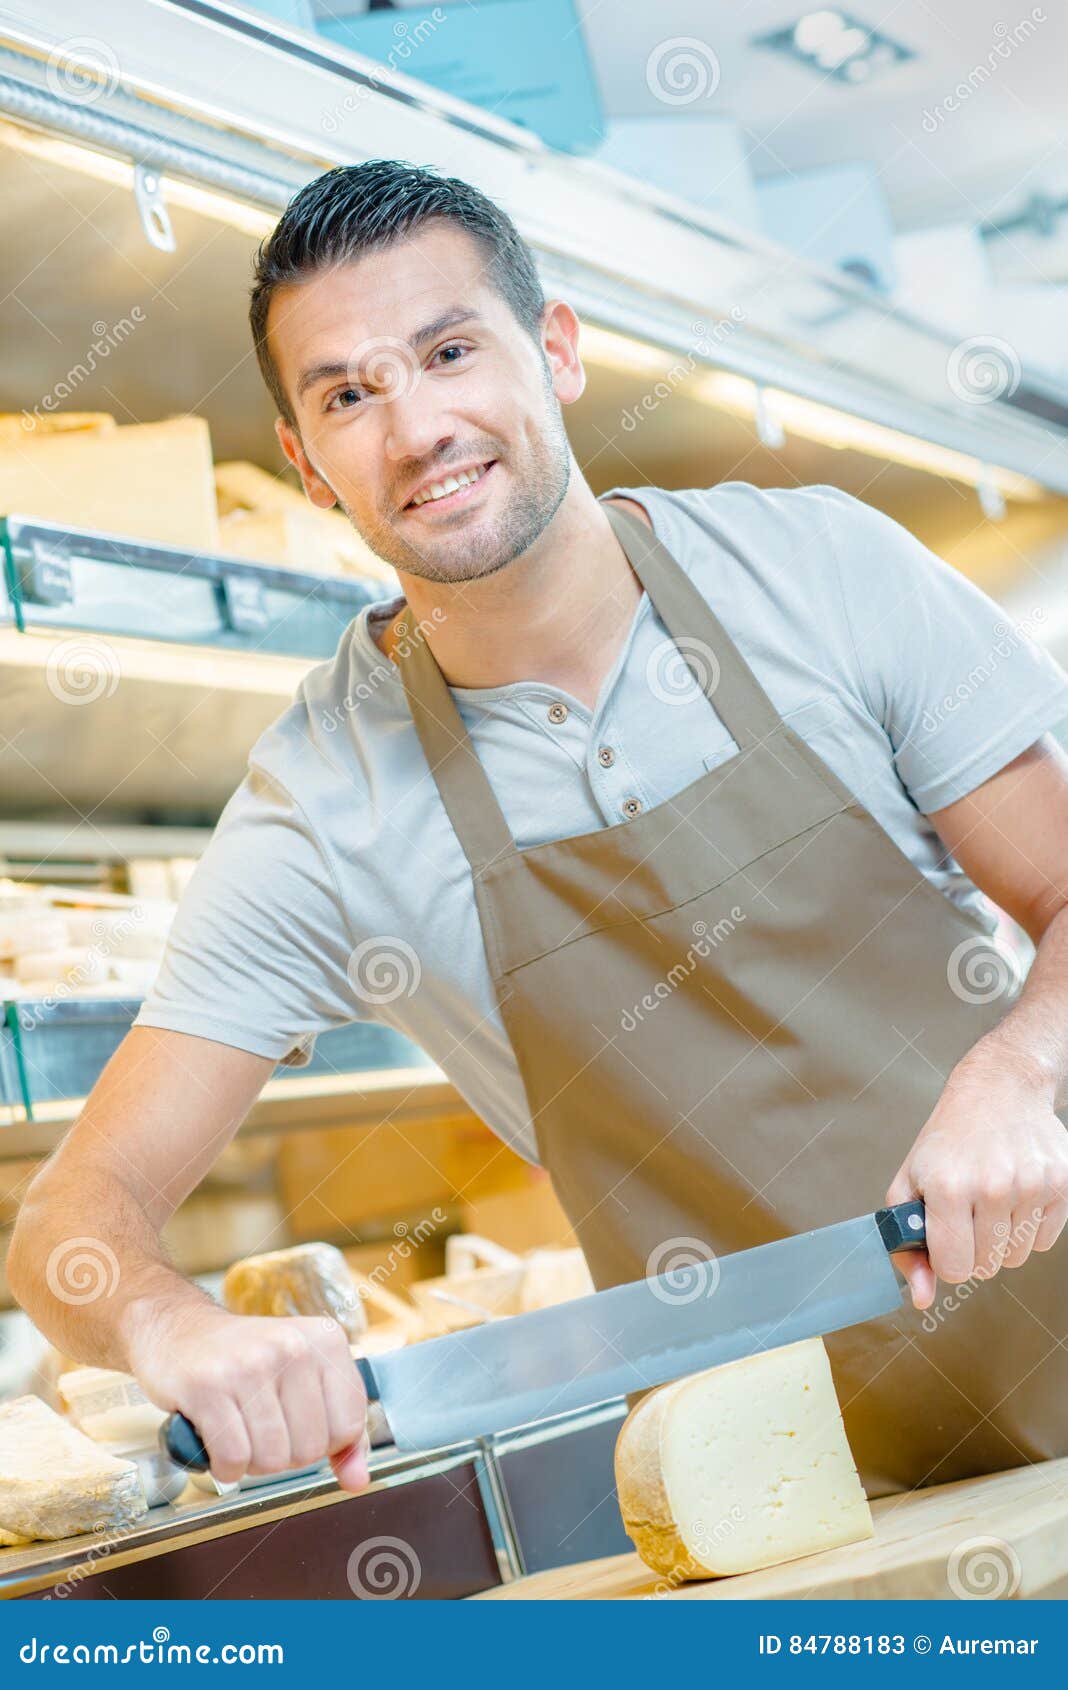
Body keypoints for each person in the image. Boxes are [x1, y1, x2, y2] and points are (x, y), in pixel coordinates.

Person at [10, 161, 1068, 1498]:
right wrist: (177, 1326)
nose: (416, 428)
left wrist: (1020, 1069)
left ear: (556, 350)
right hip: (794, 1505)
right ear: (306, 461)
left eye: (450, 351)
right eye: (347, 396)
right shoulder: (325, 806)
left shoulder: (820, 572)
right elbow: (67, 1224)